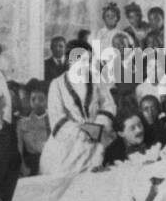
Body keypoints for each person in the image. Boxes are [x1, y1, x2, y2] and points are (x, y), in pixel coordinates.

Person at [39, 40, 116, 176]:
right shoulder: (57, 85)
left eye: (89, 60)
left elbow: (108, 105)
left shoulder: (97, 80)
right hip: (68, 144)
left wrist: (97, 127)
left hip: (97, 138)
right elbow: (57, 118)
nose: (87, 64)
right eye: (83, 60)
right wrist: (83, 132)